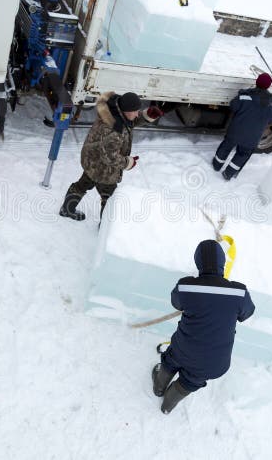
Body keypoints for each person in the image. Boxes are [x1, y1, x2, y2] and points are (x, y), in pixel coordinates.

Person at [152, 240, 256, 414]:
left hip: (183, 349)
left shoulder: (186, 286)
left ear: (197, 262)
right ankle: (167, 405)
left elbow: (176, 302)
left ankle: (158, 387)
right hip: (215, 363)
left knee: (171, 359)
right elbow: (247, 313)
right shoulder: (239, 293)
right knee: (191, 381)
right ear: (223, 263)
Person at [59, 91, 163, 221]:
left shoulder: (114, 111)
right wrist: (128, 162)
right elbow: (110, 157)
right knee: (109, 198)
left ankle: (66, 210)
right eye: (135, 111)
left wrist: (146, 116)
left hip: (92, 158)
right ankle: (105, 229)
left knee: (83, 184)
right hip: (103, 168)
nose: (137, 114)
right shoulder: (113, 131)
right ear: (125, 110)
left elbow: (128, 122)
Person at [213, 72, 272, 181]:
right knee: (242, 155)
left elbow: (233, 106)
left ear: (256, 82)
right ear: (269, 86)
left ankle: (216, 165)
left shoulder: (245, 96)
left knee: (225, 147)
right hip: (252, 137)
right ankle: (228, 174)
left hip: (235, 131)